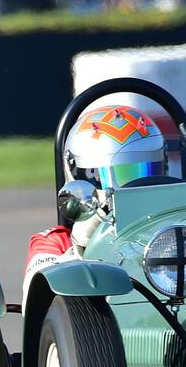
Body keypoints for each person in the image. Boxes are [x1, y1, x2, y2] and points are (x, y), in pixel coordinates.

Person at [25, 104, 169, 291]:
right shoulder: (55, 242)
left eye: (141, 172)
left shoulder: (180, 229)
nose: (125, 187)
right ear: (77, 176)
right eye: (106, 176)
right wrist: (82, 248)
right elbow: (40, 301)